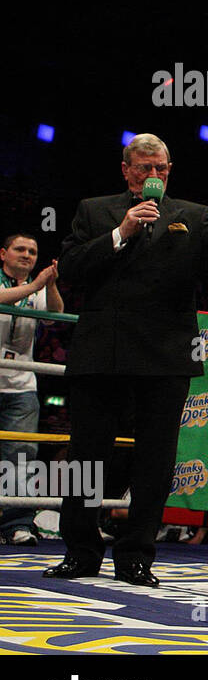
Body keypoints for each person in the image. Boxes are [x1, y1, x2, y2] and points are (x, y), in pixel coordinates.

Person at [45, 134, 208, 586]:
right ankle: (81, 551)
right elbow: (70, 270)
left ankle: (135, 557)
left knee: (156, 459)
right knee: (87, 456)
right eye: (144, 168)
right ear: (126, 170)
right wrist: (120, 233)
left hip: (166, 353)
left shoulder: (193, 214)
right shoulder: (95, 210)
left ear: (170, 169)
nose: (153, 176)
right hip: (101, 349)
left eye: (161, 169)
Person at [0, 232, 62, 544]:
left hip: (21, 384)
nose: (27, 255)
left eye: (33, 251)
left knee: (19, 457)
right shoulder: (18, 285)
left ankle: (16, 525)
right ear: (3, 253)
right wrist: (35, 285)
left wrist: (49, 285)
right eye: (20, 249)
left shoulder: (35, 288)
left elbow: (54, 316)